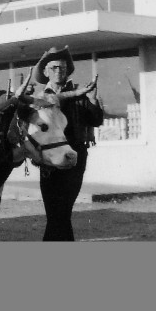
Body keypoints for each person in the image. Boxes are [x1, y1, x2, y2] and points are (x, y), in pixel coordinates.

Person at [32, 46, 104, 241]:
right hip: (49, 159)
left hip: (74, 156)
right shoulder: (38, 98)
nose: (59, 71)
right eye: (54, 67)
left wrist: (93, 99)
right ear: (46, 71)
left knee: (62, 211)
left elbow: (96, 120)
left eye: (63, 68)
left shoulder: (81, 93)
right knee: (54, 213)